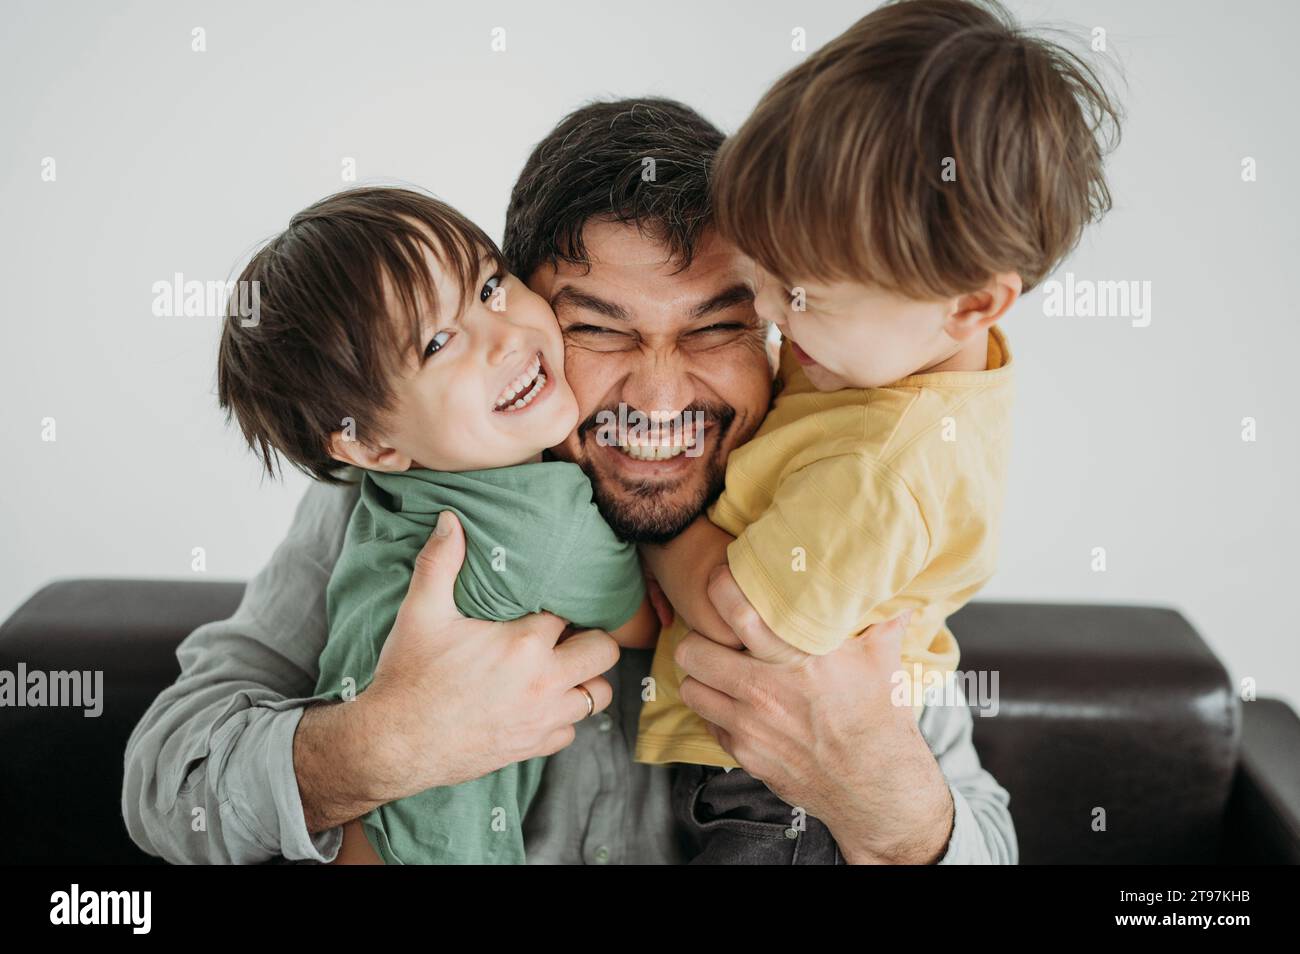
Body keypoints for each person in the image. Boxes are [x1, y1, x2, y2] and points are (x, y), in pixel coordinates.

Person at [122, 97, 1017, 865]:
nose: (661, 397)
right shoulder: (400, 504)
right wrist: (377, 746)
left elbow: (988, 834)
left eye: (716, 329)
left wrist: (888, 804)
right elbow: (166, 788)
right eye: (601, 329)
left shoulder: (830, 504)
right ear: (532, 310)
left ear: (778, 332)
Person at [636, 0, 1119, 862]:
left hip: (772, 792)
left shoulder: (884, 461)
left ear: (972, 302)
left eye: (801, 297)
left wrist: (650, 527)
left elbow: (749, 618)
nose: (775, 320)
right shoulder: (886, 355)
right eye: (763, 281)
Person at [215, 187, 656, 863]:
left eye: (488, 285)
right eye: (439, 342)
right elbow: (648, 625)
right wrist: (383, 744)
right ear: (371, 448)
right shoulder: (542, 522)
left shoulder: (396, 496)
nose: (503, 334)